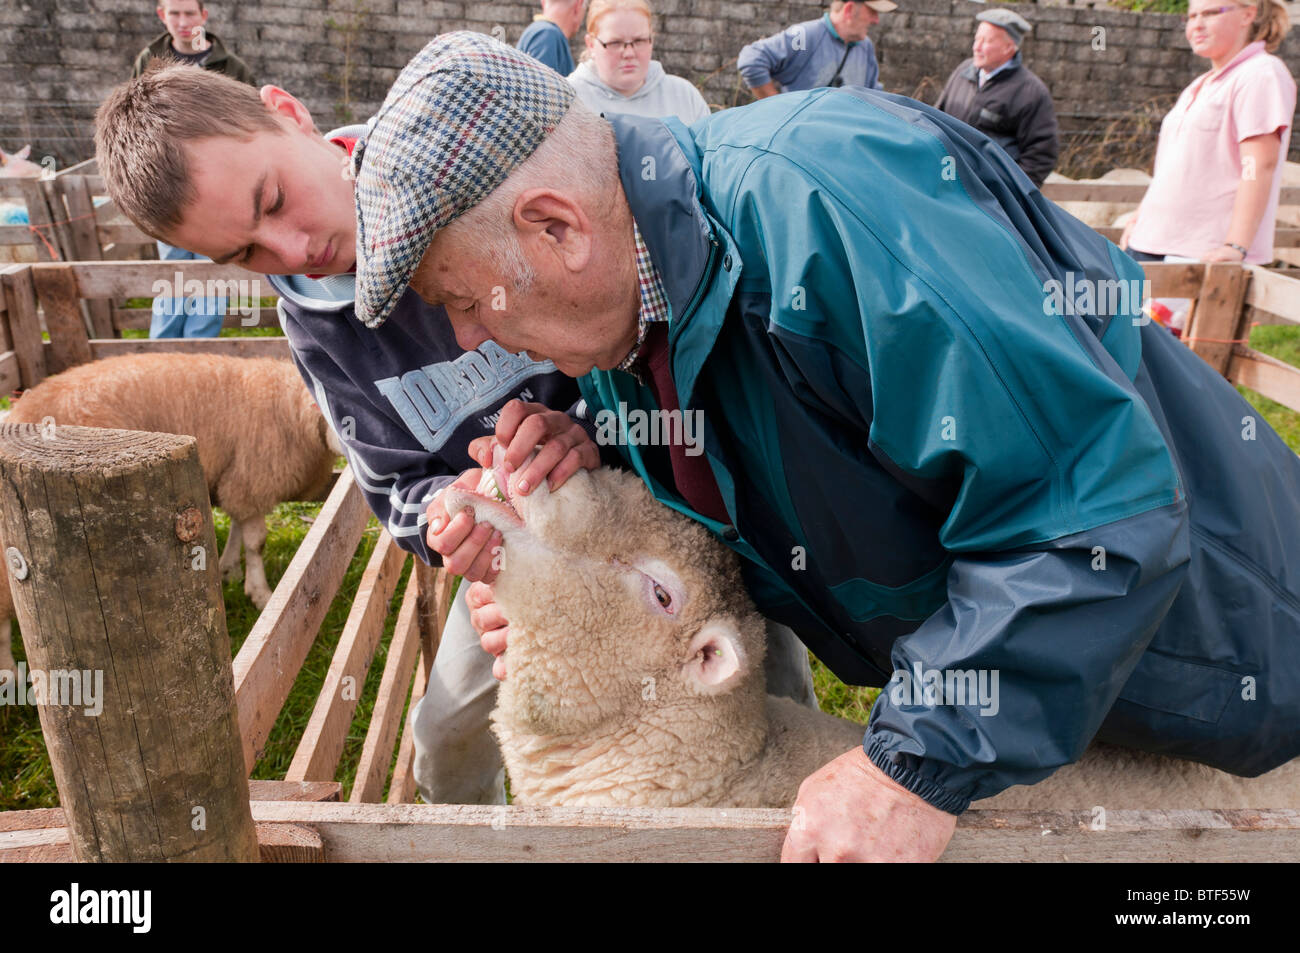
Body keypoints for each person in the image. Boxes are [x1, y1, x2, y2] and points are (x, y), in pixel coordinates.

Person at [351, 33, 1300, 862]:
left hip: (1225, 658)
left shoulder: (831, 207)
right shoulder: (630, 322)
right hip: (1067, 694)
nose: (468, 338)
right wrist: (573, 524)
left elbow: (1092, 508)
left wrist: (917, 763)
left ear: (556, 226)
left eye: (464, 300)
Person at [92, 63, 818, 805]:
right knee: (445, 738)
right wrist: (457, 515)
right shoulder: (312, 324)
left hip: (664, 502)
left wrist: (588, 430)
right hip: (520, 549)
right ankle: (485, 841)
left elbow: (637, 319)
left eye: (274, 198)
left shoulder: (459, 169)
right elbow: (392, 482)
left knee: (760, 670)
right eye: (245, 254)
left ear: (288, 111)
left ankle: (805, 806)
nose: (292, 248)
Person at [1122, 0, 1295, 264]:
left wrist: (1236, 245)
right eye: (1191, 16)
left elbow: (1258, 166)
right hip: (1148, 242)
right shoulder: (1199, 85)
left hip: (1198, 254)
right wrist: (1138, 218)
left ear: (1248, 14)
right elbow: (1173, 169)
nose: (1197, 25)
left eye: (1210, 13)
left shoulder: (1260, 73)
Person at [131, 0, 255, 339]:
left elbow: (251, 125)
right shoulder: (148, 61)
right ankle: (163, 350)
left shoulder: (231, 67)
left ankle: (199, 347)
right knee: (173, 270)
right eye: (175, 13)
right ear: (162, 15)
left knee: (211, 265)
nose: (183, 21)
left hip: (218, 188)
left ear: (204, 16)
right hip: (165, 185)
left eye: (190, 13)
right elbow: (134, 120)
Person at [934, 8, 1059, 187]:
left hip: (989, 194)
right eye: (977, 39)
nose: (976, 47)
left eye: (986, 41)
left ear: (1009, 47)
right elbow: (936, 120)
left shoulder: (1031, 92)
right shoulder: (963, 72)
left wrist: (1009, 193)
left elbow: (1040, 156)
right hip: (948, 184)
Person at [567, 0, 710, 123]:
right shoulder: (567, 101)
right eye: (615, 43)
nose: (629, 53)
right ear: (591, 44)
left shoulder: (684, 96)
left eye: (639, 41)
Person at [737, 0, 896, 99]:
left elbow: (873, 95)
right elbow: (751, 59)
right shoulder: (805, 36)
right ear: (849, 10)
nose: (876, 20)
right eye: (872, 12)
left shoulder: (865, 46)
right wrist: (776, 108)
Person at [518, 0, 586, 76]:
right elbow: (540, 82)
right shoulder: (547, 36)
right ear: (578, 4)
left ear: (543, 2)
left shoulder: (540, 31)